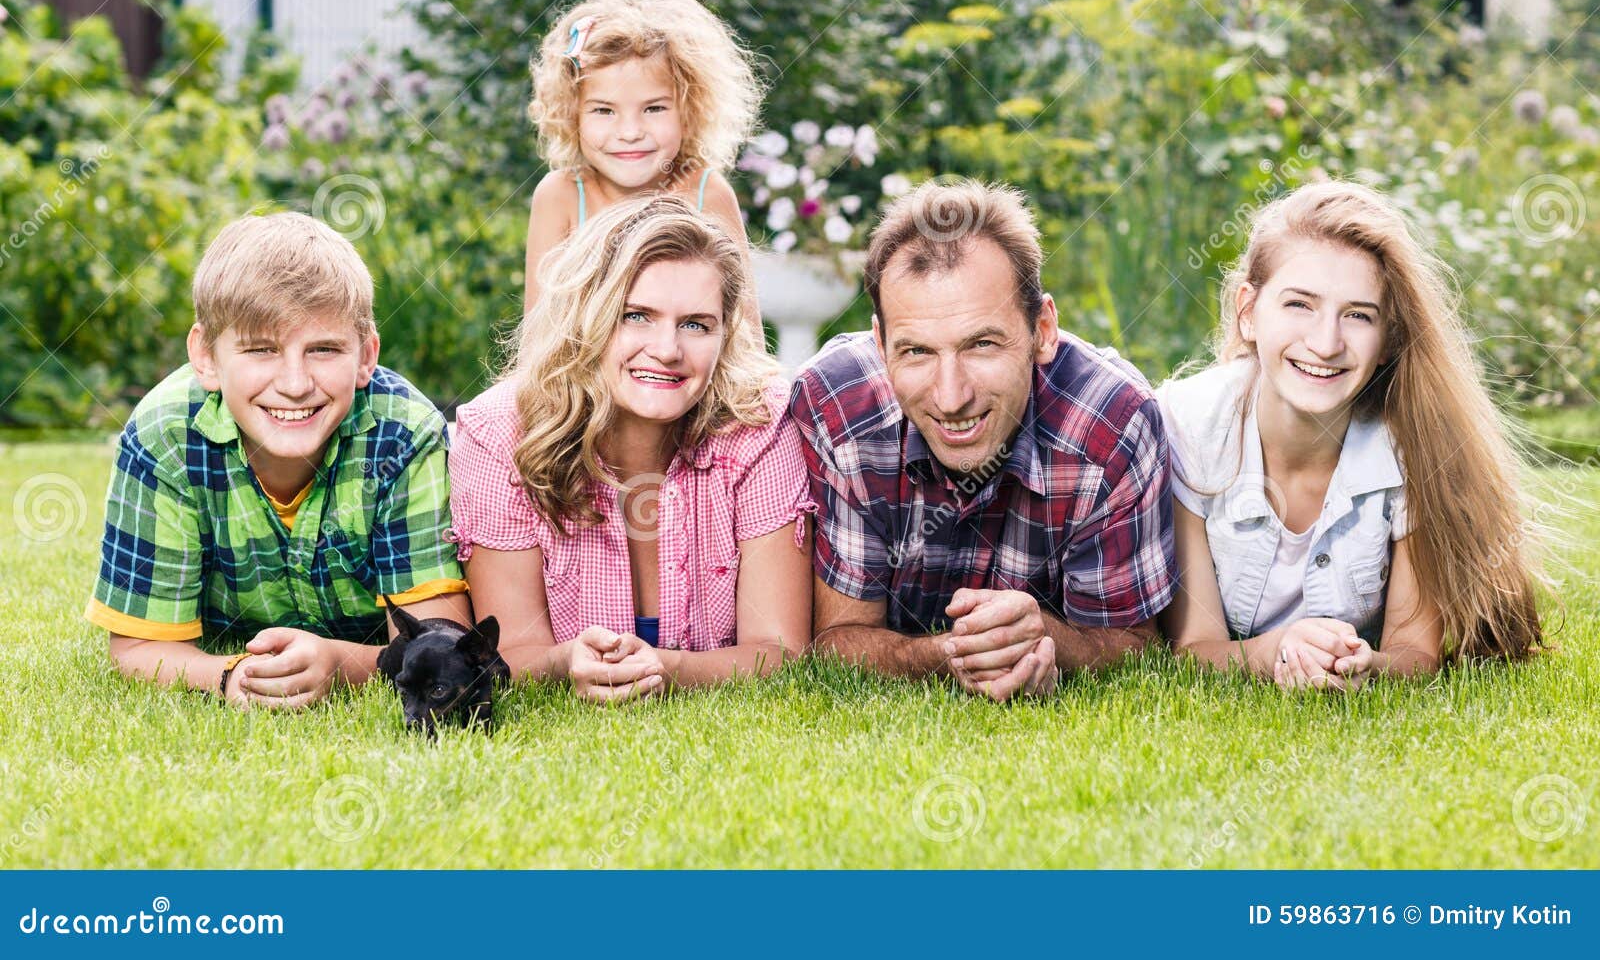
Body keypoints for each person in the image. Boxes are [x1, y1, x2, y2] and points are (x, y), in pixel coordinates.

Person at [791, 178, 1175, 702]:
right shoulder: (836, 406)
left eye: (982, 344)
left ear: (1041, 328)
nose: (951, 398)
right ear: (880, 345)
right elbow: (835, 639)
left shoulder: (1114, 424)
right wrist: (951, 654)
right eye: (917, 353)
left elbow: (1136, 644)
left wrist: (1045, 636)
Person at [1157, 181, 1546, 690]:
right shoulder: (1185, 427)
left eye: (1358, 315)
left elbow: (1413, 652)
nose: (1325, 343)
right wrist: (1277, 650)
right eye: (1299, 304)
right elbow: (1194, 648)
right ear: (1248, 311)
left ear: (1387, 339)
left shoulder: (1415, 445)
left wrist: (1366, 666)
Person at [86, 212, 469, 707]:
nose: (294, 384)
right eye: (261, 350)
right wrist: (230, 674)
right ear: (205, 357)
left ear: (366, 355)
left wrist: (336, 662)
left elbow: (440, 644)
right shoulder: (163, 437)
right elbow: (139, 647)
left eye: (324, 349)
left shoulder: (404, 432)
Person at [450, 196, 811, 702]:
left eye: (695, 325)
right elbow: (508, 653)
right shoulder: (499, 436)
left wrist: (668, 668)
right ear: (585, 318)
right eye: (636, 316)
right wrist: (561, 662)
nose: (667, 350)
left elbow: (780, 652)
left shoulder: (760, 424)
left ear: (725, 335)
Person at [523, 0, 760, 313]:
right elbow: (537, 337)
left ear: (690, 109)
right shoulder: (560, 196)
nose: (630, 131)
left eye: (654, 108)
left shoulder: (708, 194)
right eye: (604, 110)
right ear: (571, 114)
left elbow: (745, 335)